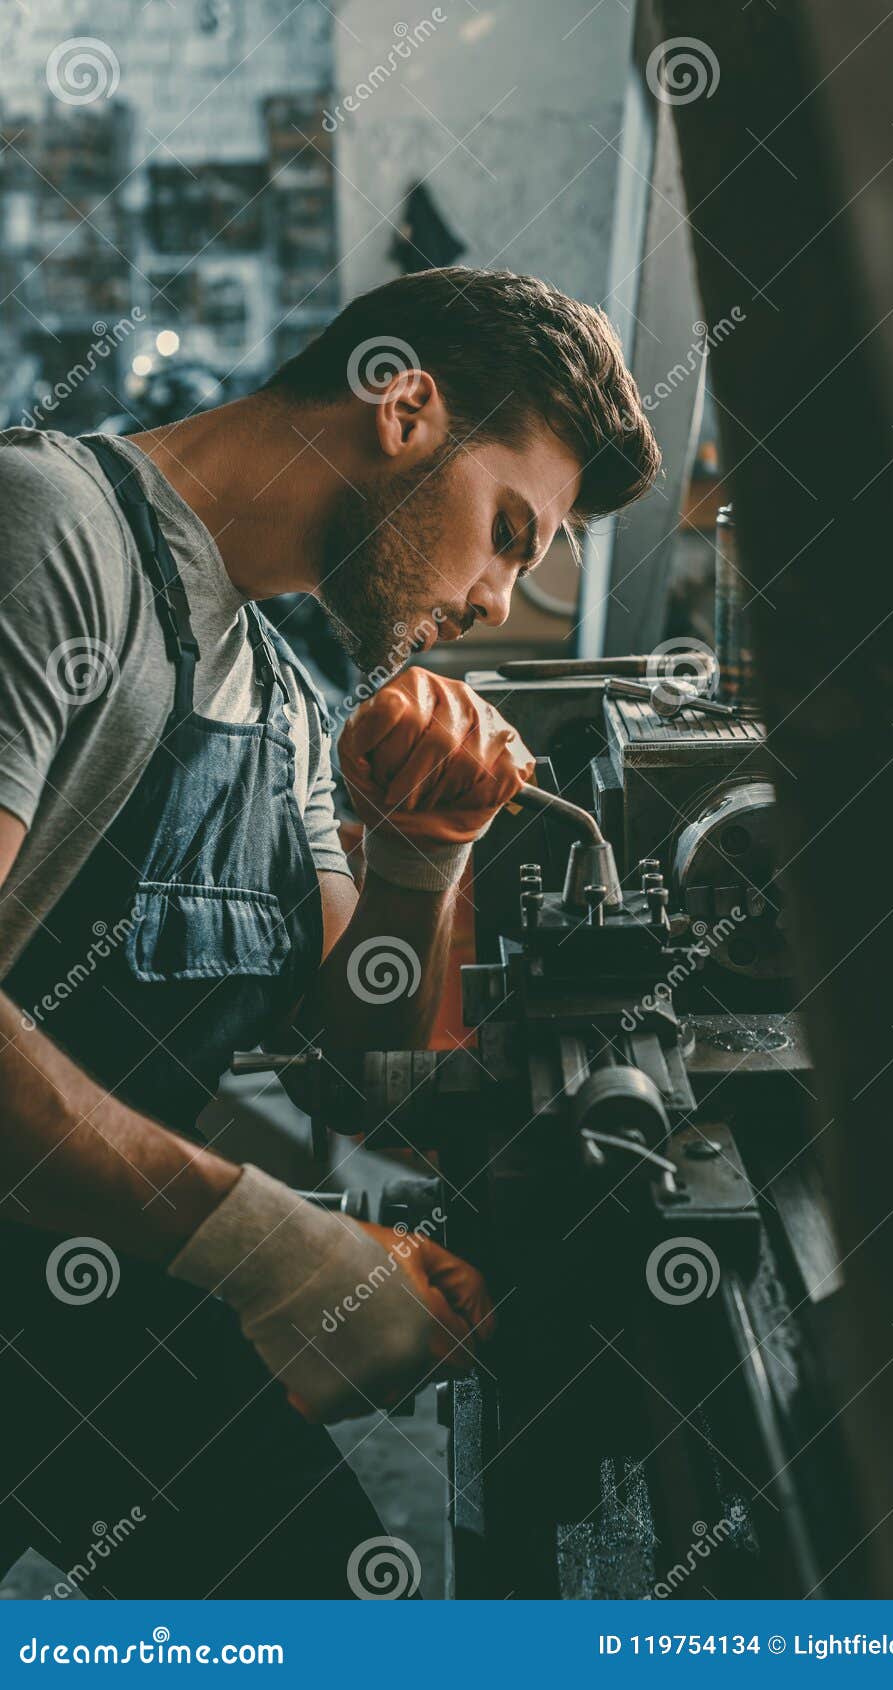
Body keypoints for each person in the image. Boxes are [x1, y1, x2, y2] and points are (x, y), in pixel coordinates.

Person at [0, 266, 660, 1597]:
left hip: (65, 1278)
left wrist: (428, 854)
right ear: (405, 408)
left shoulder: (286, 704)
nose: (494, 598)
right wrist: (261, 1242)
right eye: (511, 532)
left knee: (328, 1596)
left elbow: (370, 1057)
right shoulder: (51, 531)